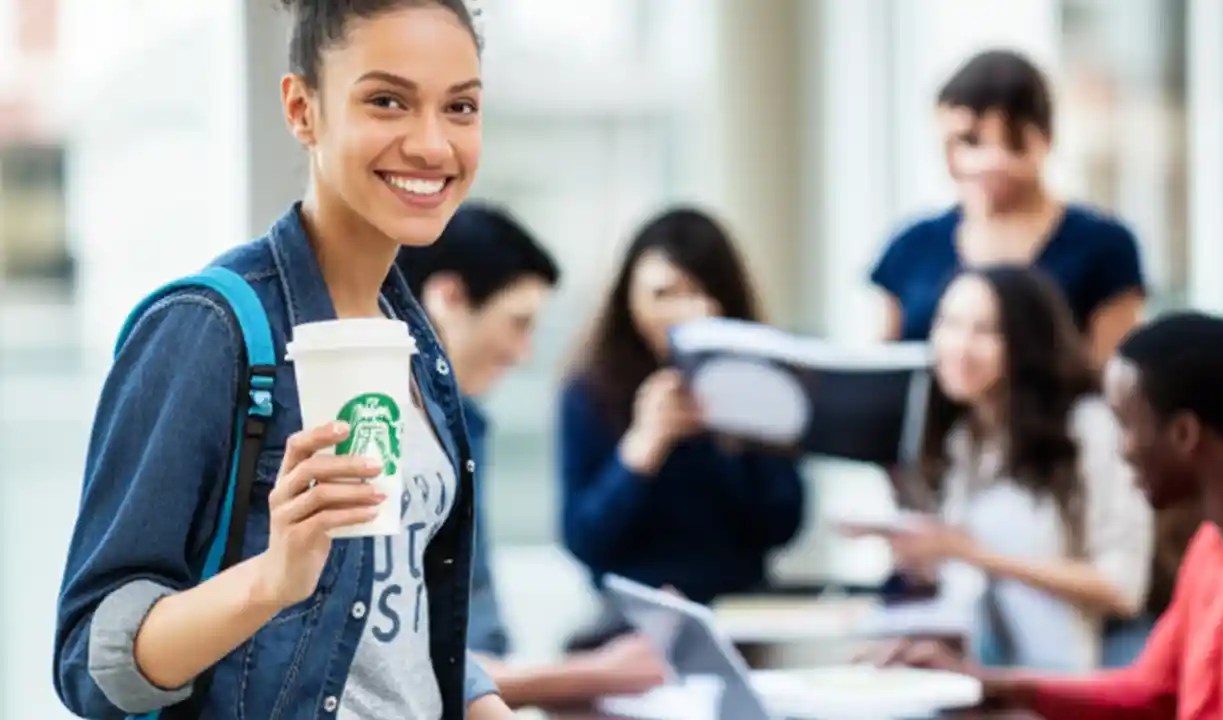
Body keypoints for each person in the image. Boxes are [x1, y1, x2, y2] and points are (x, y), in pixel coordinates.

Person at [53, 2, 513, 718]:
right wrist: (273, 577)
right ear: (303, 109)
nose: (432, 144)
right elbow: (91, 661)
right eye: (387, 101)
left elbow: (402, 622)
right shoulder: (208, 329)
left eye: (460, 107)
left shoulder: (414, 344)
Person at [876, 312, 1223, 719]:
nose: (1121, 449)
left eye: (1126, 424)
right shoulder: (1215, 541)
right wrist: (988, 684)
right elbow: (1150, 692)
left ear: (1183, 434)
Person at [397, 203, 669, 708]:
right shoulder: (397, 446)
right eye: (518, 323)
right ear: (448, 298)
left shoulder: (464, 427)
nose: (524, 353)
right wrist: (595, 675)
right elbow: (415, 674)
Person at [850, 266, 1151, 672]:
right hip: (992, 678)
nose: (960, 346)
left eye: (985, 331)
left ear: (1026, 342)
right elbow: (967, 585)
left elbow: (1121, 588)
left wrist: (972, 553)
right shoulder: (966, 439)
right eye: (949, 324)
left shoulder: (1089, 428)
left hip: (1077, 678)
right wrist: (921, 552)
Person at [559, 208, 806, 610]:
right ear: (629, 298)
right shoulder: (591, 389)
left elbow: (783, 524)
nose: (681, 311)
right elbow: (585, 540)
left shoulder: (761, 382)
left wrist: (739, 437)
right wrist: (643, 448)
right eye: (662, 294)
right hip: (631, 618)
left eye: (697, 293)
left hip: (738, 610)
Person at [871, 50, 1145, 366]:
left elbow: (1111, 377)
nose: (989, 161)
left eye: (1012, 141)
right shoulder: (912, 245)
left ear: (1046, 138)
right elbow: (882, 372)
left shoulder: (1103, 245)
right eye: (968, 141)